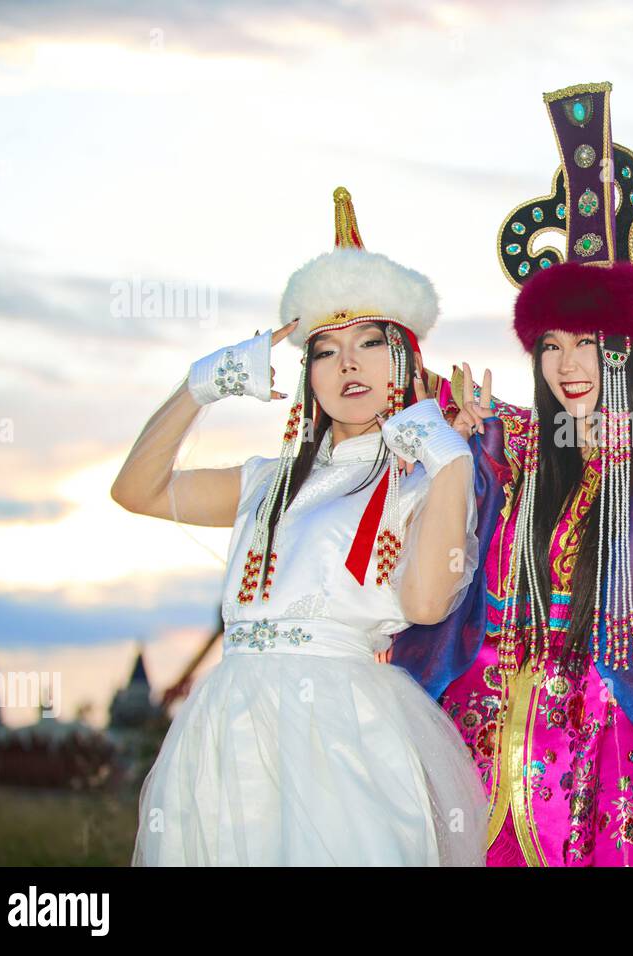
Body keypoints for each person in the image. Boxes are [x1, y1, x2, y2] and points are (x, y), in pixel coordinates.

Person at [112, 187, 488, 865]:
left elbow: (428, 602)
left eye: (371, 342)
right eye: (326, 349)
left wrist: (450, 457)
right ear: (307, 374)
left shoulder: (419, 480)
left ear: (403, 359)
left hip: (342, 737)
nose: (348, 363)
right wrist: (200, 386)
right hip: (227, 728)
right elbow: (136, 490)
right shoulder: (265, 480)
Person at [391, 81, 633, 865]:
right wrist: (454, 448)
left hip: (605, 753)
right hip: (486, 733)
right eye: (552, 344)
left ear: (632, 351)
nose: (567, 365)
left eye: (589, 343)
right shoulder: (508, 446)